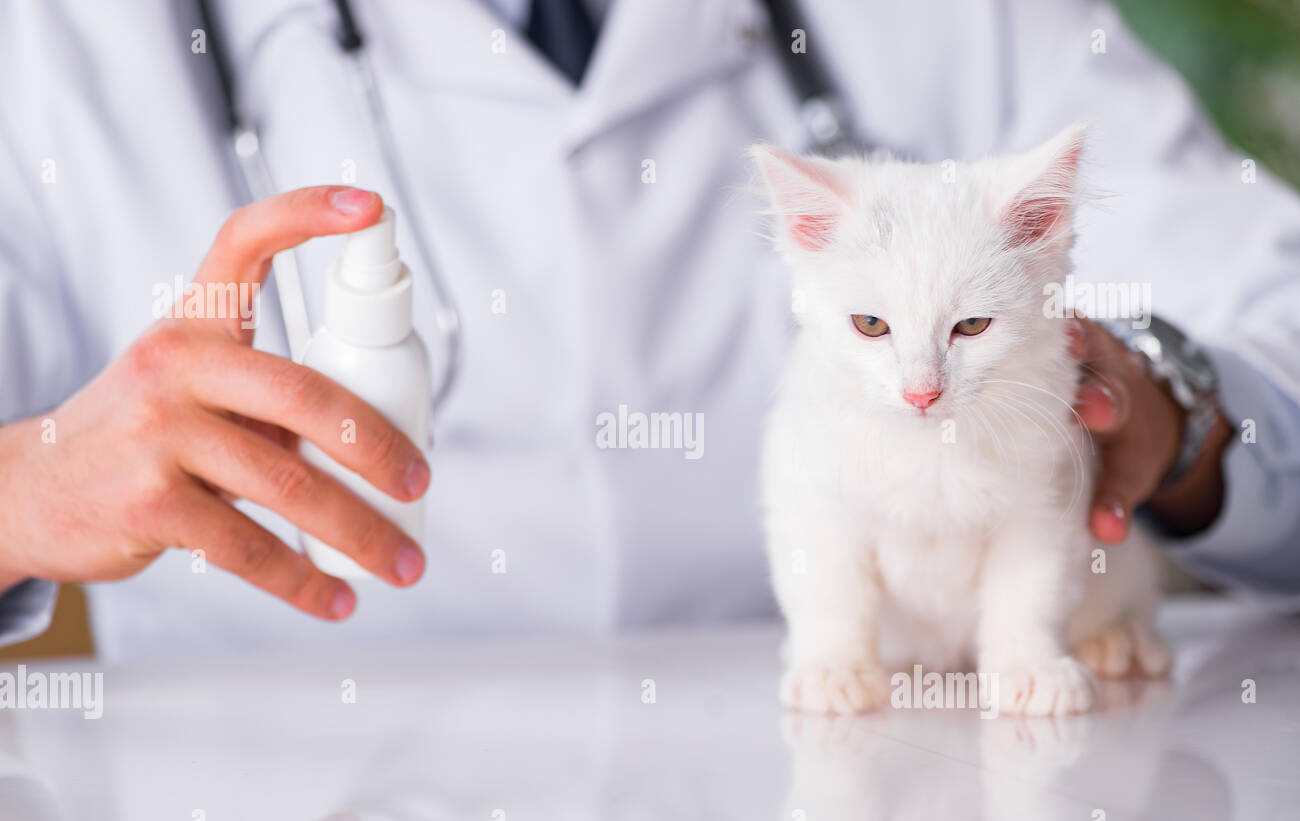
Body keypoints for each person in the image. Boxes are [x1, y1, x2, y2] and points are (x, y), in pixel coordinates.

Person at [1, 0, 1298, 660]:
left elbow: (1273, 317)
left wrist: (1181, 417)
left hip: (870, 799)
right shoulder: (72, 40)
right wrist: (24, 485)